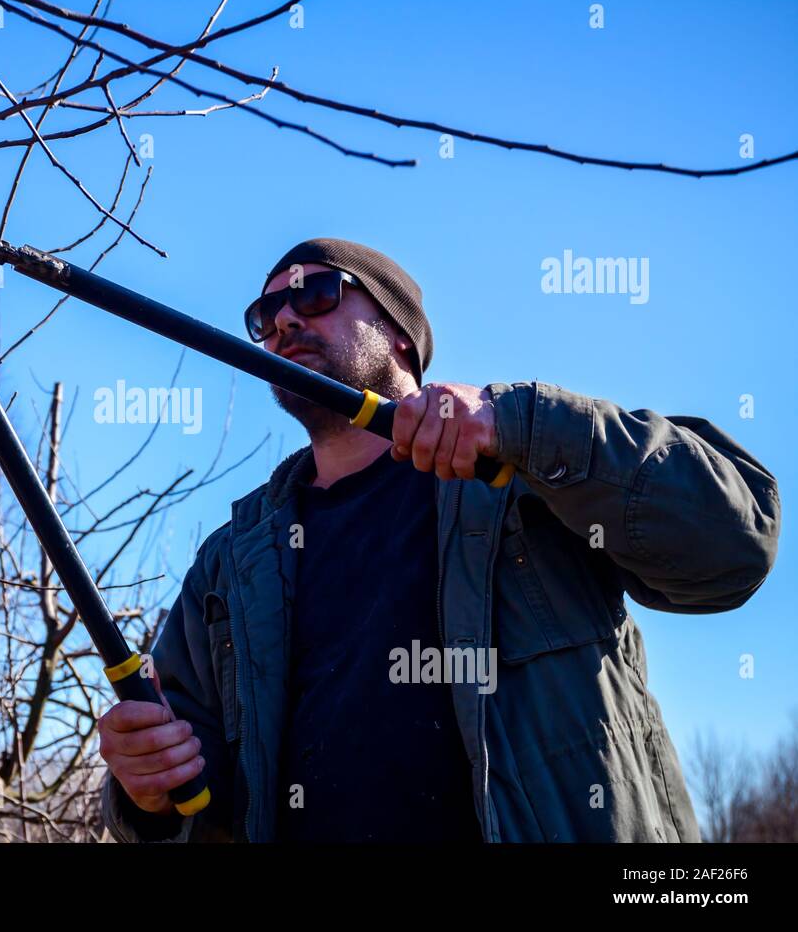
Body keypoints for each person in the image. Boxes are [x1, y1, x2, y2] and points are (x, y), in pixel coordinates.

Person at [96, 238, 780, 842]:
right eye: (262, 319)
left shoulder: (524, 473)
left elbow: (734, 543)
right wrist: (145, 792)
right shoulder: (230, 565)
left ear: (399, 333)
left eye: (316, 292)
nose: (282, 321)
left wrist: (527, 427)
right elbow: (189, 786)